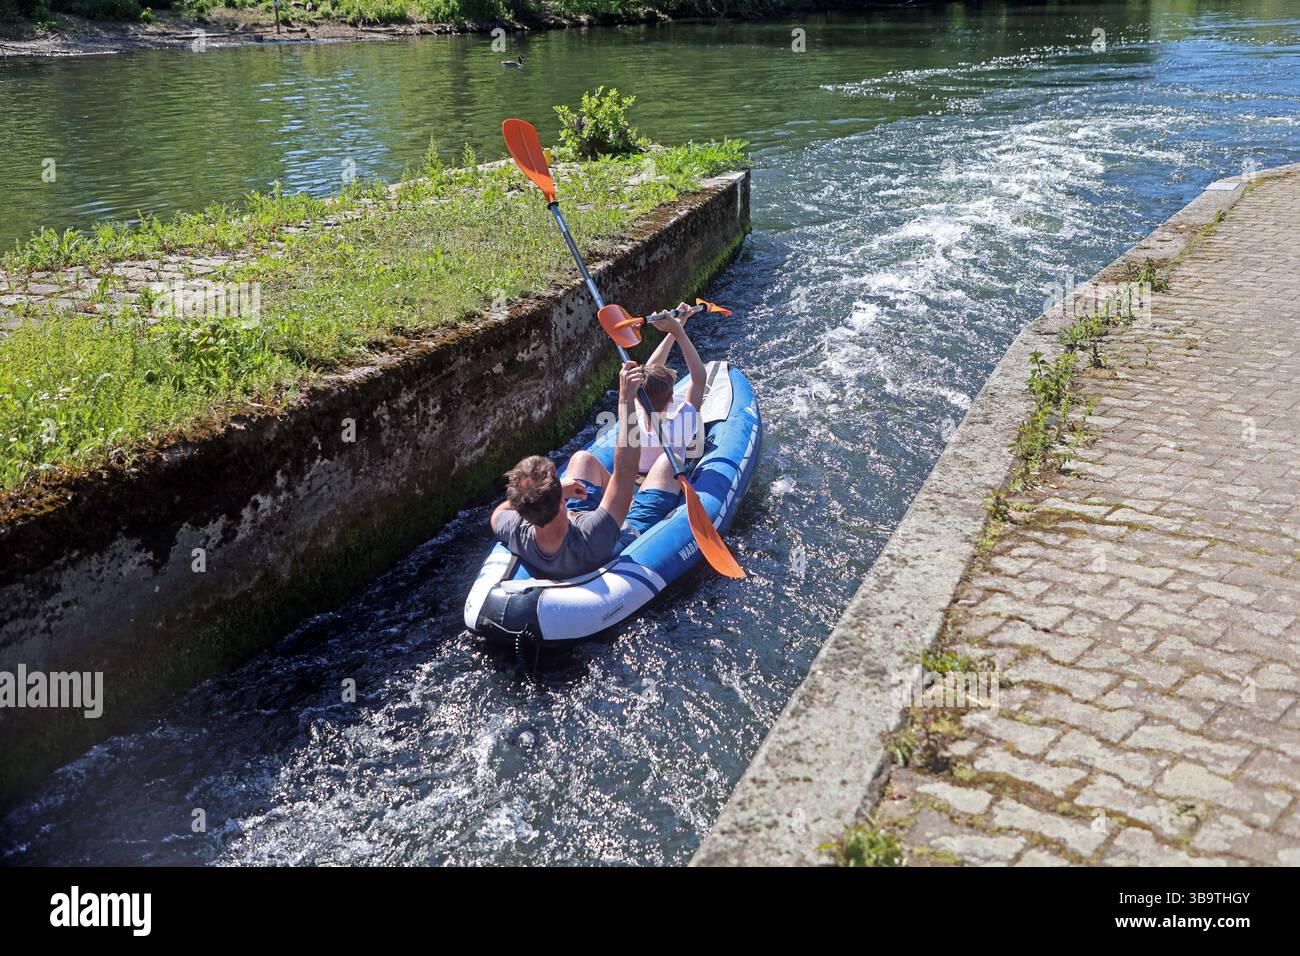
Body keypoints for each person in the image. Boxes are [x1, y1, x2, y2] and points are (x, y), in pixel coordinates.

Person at [490, 361, 643, 579]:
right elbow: (627, 469)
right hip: (621, 535)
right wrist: (626, 399)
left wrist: (557, 490)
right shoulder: (593, 534)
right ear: (561, 501)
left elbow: (497, 514)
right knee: (666, 465)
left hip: (569, 520)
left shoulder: (517, 530)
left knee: (583, 459)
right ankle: (627, 501)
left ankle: (618, 498)